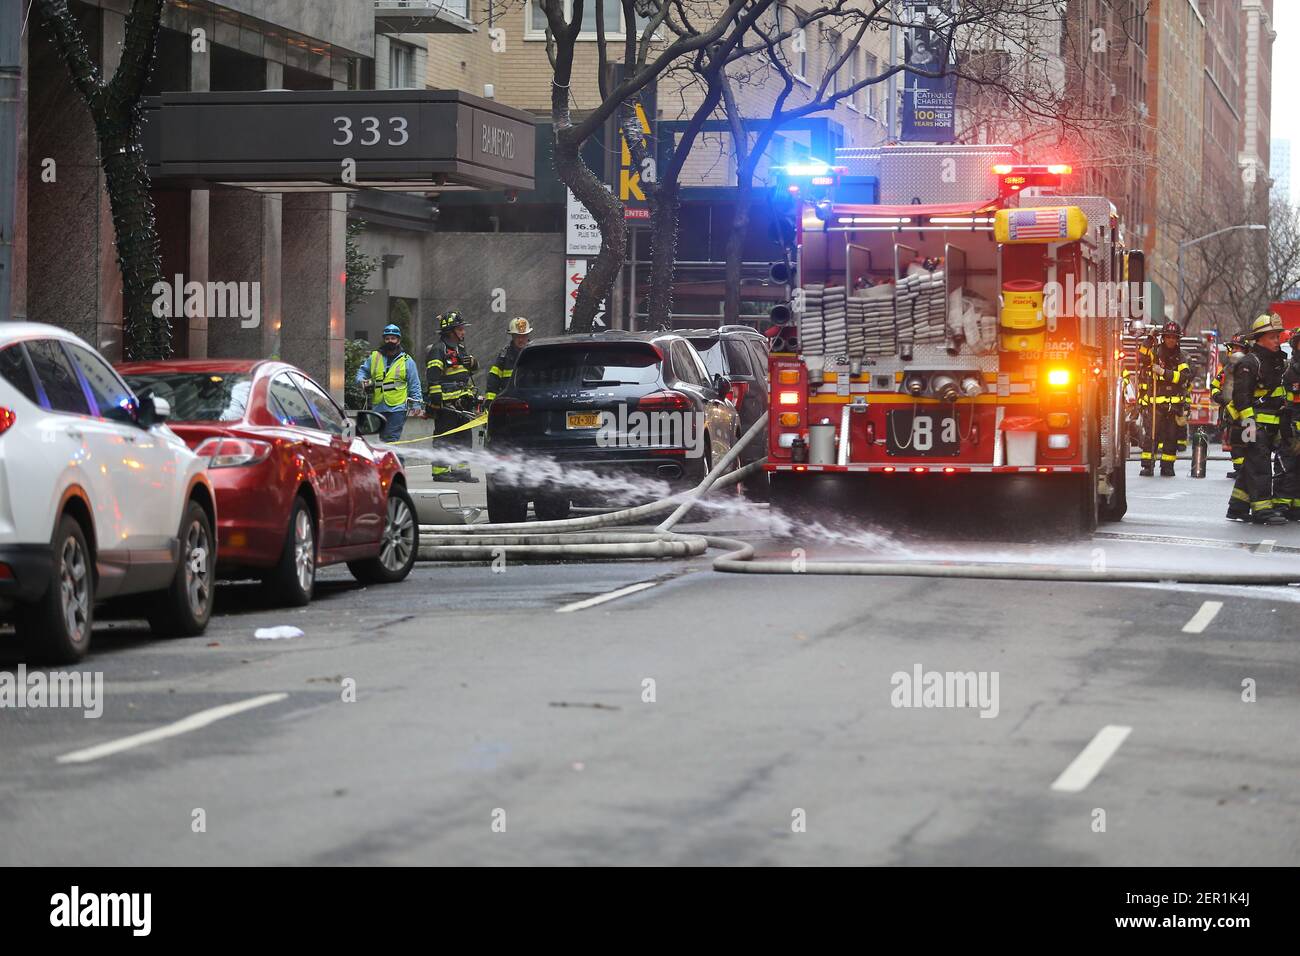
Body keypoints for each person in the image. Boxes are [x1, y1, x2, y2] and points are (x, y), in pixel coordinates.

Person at [1227, 314, 1290, 524]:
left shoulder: (1276, 362)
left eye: (1277, 336)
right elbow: (1241, 398)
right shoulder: (1250, 363)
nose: (1277, 341)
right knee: (1260, 467)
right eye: (1272, 337)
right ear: (1260, 338)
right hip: (1253, 425)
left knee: (1251, 467)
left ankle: (1238, 506)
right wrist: (1250, 426)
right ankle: (1262, 510)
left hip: (1271, 426)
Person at [426, 310, 479, 482]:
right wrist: (436, 400)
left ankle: (461, 470)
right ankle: (440, 471)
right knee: (445, 436)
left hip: (462, 402)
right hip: (447, 403)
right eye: (461, 328)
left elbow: (470, 370)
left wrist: (472, 362)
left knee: (464, 437)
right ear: (451, 331)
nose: (464, 332)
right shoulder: (438, 349)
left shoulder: (460, 348)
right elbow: (433, 376)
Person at [1136, 320, 1191, 477]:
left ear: (1177, 339)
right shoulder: (1155, 353)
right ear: (1163, 337)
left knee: (1171, 437)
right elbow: (1142, 357)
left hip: (1173, 406)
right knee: (1151, 436)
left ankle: (1167, 466)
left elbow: (1184, 377)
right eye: (1168, 337)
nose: (1171, 340)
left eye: (1174, 337)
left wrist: (1163, 372)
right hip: (1155, 405)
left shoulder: (1181, 357)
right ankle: (1147, 465)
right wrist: (1149, 339)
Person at [355, 324, 422, 442]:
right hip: (378, 406)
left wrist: (416, 404)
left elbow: (414, 383)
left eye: (393, 338)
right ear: (384, 340)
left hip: (397, 407)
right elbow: (362, 371)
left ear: (398, 340)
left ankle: (394, 459)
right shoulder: (374, 356)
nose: (390, 341)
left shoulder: (407, 360)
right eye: (387, 338)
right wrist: (361, 380)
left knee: (391, 438)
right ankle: (393, 459)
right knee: (383, 439)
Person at [1211, 334, 1247, 479]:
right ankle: (1238, 468)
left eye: (1239, 348)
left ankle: (1244, 470)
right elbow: (1214, 386)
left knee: (1245, 442)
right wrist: (1218, 396)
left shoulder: (1249, 367)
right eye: (1234, 348)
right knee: (1234, 442)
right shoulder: (1226, 369)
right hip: (1230, 413)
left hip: (1244, 412)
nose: (1235, 350)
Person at [485, 316, 533, 403]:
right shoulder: (504, 356)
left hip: (532, 399)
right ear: (512, 336)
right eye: (518, 336)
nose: (521, 339)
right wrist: (490, 401)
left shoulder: (534, 353)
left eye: (524, 336)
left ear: (528, 335)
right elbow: (493, 379)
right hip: (509, 402)